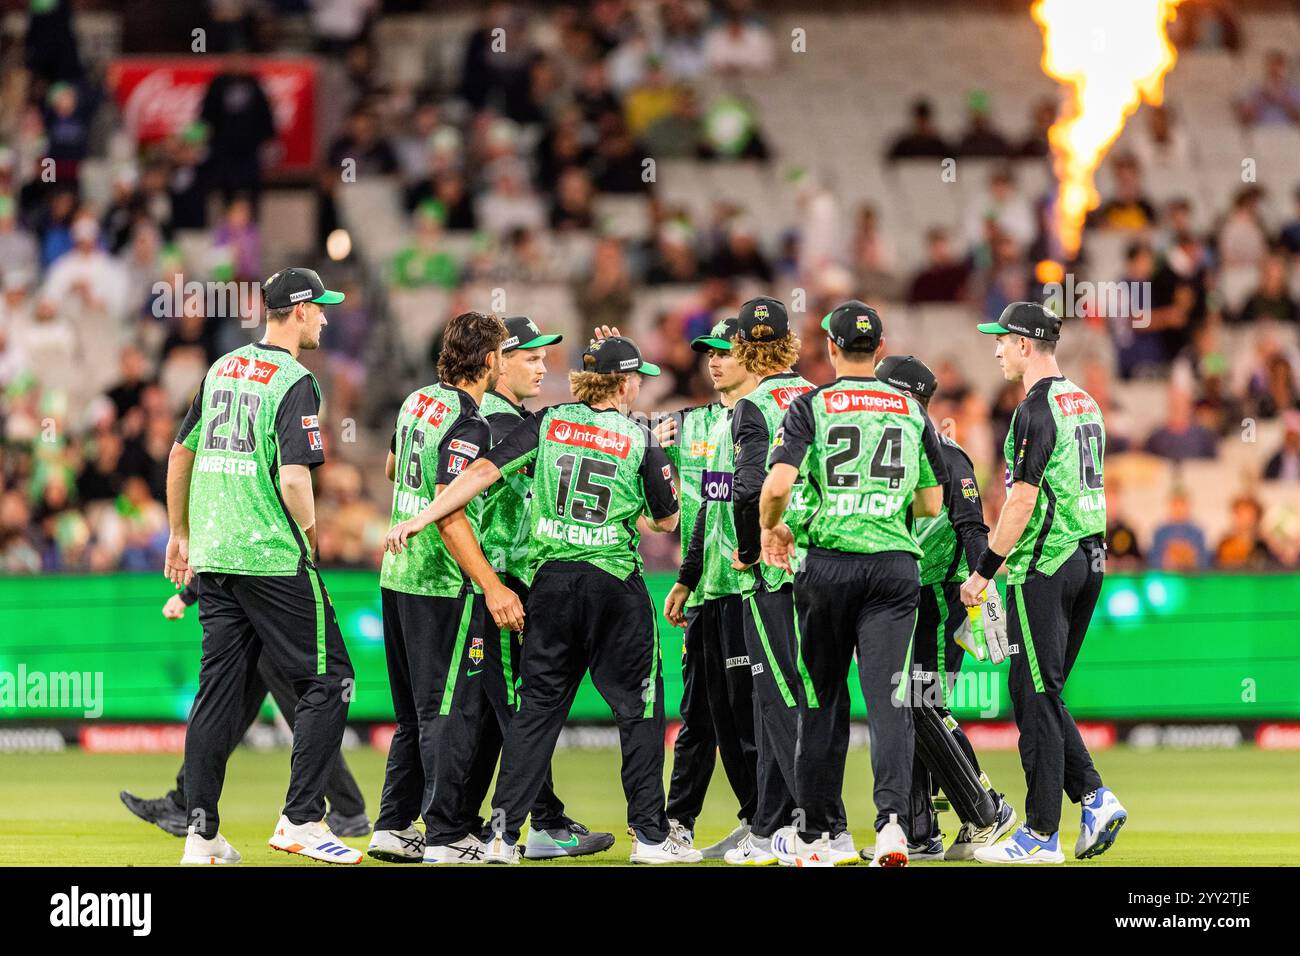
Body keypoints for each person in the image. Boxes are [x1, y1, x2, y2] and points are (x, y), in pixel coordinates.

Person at [385, 334, 696, 864]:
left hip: (550, 587)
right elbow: (666, 521)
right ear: (625, 383)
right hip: (614, 585)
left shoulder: (547, 422)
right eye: (636, 379)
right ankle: (649, 838)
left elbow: (481, 473)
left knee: (534, 713)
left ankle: (503, 837)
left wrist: (423, 516)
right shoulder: (639, 437)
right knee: (639, 710)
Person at [164, 267, 359, 865]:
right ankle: (302, 819)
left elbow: (180, 453)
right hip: (271, 555)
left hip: (215, 558)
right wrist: (310, 536)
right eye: (319, 307)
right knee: (331, 679)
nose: (324, 317)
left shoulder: (222, 367)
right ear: (298, 311)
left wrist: (179, 534)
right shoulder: (296, 381)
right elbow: (296, 479)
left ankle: (201, 836)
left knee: (217, 697)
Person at [758, 301, 948, 868]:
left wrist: (774, 529)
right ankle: (892, 826)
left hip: (829, 568)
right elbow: (931, 501)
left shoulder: (810, 405)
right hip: (894, 568)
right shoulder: (911, 409)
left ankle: (817, 836)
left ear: (831, 348)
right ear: (880, 348)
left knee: (822, 699)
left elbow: (776, 487)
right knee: (890, 700)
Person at [961, 301, 1128, 864]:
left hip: (1046, 565)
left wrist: (983, 571)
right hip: (1090, 557)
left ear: (1026, 345)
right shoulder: (1084, 401)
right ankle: (1095, 797)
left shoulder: (1033, 410)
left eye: (1003, 340)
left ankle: (1040, 834)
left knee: (1035, 695)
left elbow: (1022, 500)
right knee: (1041, 690)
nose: (997, 350)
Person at [367, 310, 523, 865]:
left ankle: (393, 826)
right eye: (503, 355)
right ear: (490, 361)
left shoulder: (417, 402)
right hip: (441, 585)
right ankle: (446, 835)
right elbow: (449, 514)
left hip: (396, 578)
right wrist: (492, 587)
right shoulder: (471, 422)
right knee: (449, 713)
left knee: (413, 715)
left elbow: (392, 468)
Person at [460, 314, 614, 860]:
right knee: (523, 714)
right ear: (497, 363)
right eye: (530, 357)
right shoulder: (499, 423)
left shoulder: (512, 419)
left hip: (516, 582)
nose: (542, 366)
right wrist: (611, 400)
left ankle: (459, 821)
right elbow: (586, 451)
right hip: (503, 581)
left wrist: (610, 379)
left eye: (545, 357)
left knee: (506, 714)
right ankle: (540, 823)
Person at [869, 354, 1016, 862]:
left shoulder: (949, 457)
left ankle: (986, 809)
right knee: (912, 707)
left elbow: (973, 527)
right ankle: (919, 830)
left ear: (904, 398)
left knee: (921, 704)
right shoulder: (894, 450)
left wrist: (984, 587)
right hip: (905, 598)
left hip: (937, 599)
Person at [728, 296, 851, 865]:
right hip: (820, 564)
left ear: (741, 347)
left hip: (775, 573)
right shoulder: (817, 398)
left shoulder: (751, 406)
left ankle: (824, 827)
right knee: (798, 696)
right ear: (790, 344)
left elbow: (750, 488)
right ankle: (767, 829)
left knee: (782, 701)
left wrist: (750, 549)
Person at [120, 581, 370, 839]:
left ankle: (347, 809)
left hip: (265, 605)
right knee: (237, 710)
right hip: (263, 606)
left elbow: (238, 560)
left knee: (283, 709)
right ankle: (185, 802)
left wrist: (189, 594)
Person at [661, 317, 760, 860]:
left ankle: (765, 819)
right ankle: (679, 824)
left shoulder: (767, 416)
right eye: (710, 352)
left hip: (752, 590)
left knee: (749, 716)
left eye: (725, 351)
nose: (715, 361)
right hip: (706, 593)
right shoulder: (687, 424)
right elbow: (697, 501)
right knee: (698, 715)